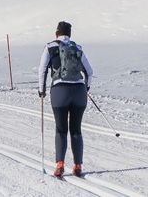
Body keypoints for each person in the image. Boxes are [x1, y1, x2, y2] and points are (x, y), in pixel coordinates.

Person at [38, 21, 93, 178]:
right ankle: (77, 166)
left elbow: (42, 69)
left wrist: (41, 91)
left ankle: (60, 164)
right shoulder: (77, 48)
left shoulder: (50, 47)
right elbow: (89, 71)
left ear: (56, 34)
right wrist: (86, 88)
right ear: (69, 34)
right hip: (79, 91)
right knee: (76, 130)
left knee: (61, 129)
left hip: (60, 91)